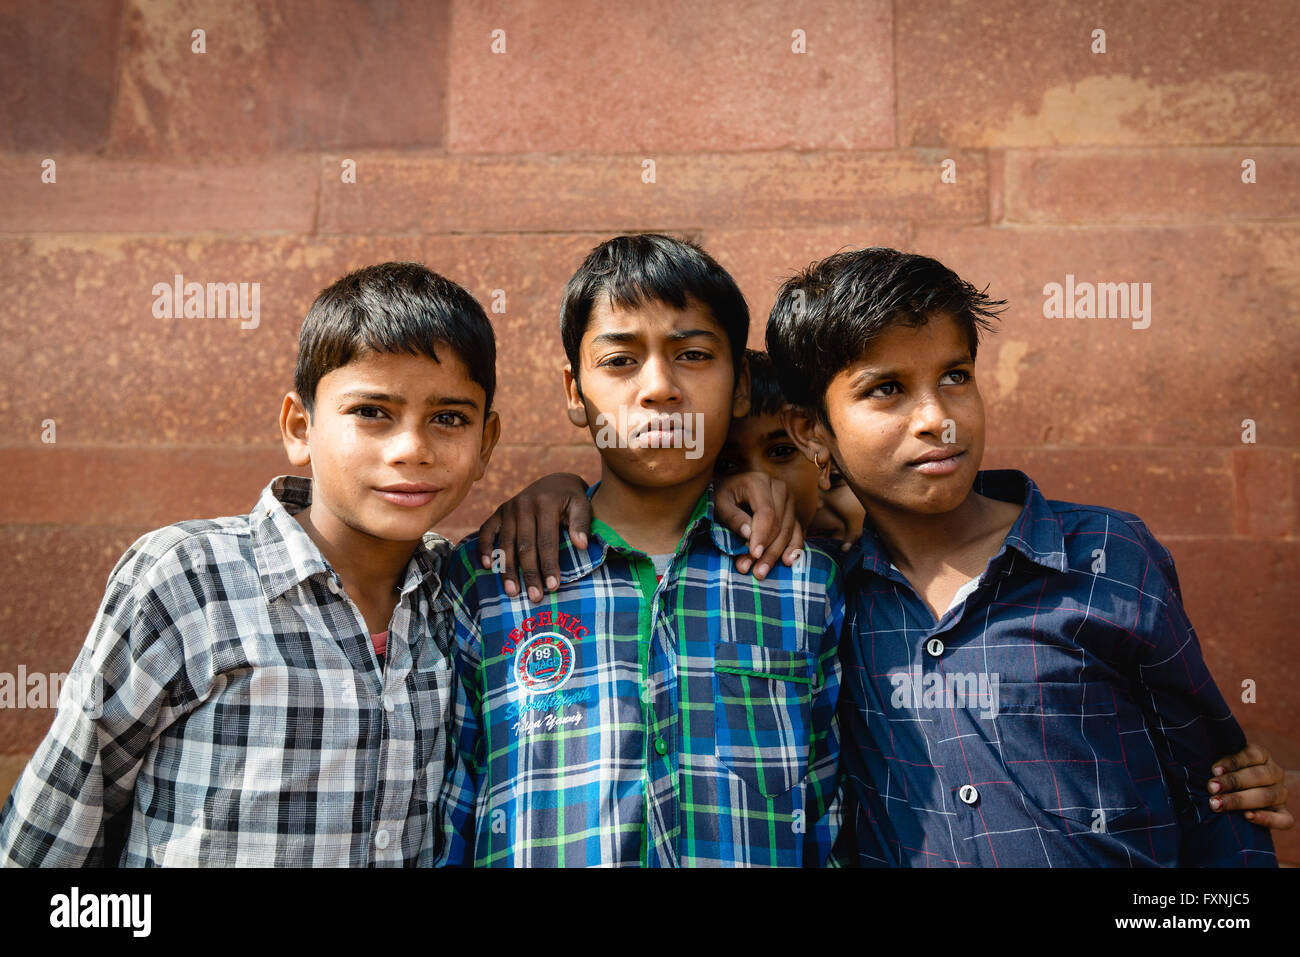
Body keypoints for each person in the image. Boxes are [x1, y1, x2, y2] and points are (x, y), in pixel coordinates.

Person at [768, 246, 1279, 865]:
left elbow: (1221, 794)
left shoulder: (1106, 557)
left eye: (955, 376)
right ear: (812, 432)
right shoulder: (823, 599)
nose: (937, 418)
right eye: (886, 390)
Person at [0, 262, 500, 866]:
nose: (411, 449)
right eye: (372, 412)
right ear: (299, 426)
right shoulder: (190, 578)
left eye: (449, 418)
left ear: (485, 446)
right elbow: (60, 815)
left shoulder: (460, 597)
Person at [441, 234, 844, 866]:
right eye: (621, 361)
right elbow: (456, 812)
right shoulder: (494, 579)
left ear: (740, 386)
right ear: (575, 393)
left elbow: (827, 813)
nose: (659, 387)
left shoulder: (801, 580)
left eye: (692, 354)